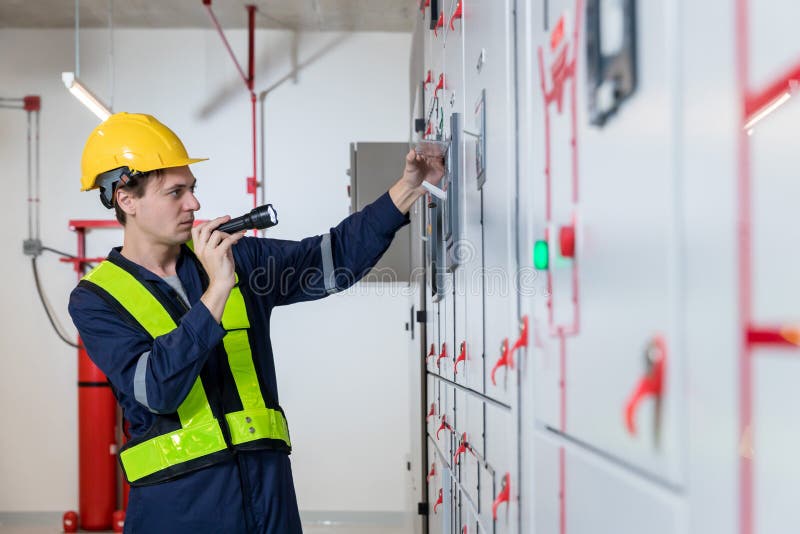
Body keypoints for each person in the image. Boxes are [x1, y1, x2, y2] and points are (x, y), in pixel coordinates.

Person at [68, 112, 443, 533]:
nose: (193, 203)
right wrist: (218, 288)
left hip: (268, 494)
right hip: (178, 506)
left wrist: (410, 187)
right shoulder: (95, 300)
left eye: (192, 189)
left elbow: (335, 257)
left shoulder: (237, 257)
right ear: (126, 199)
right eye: (176, 192)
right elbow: (157, 389)